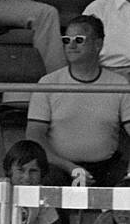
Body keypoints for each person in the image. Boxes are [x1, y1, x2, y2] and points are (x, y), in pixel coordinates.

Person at [26, 14, 130, 191]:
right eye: (66, 40)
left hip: (107, 168)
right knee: (48, 180)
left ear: (98, 44)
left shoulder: (119, 84)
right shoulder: (48, 82)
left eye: (79, 40)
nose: (71, 45)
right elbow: (34, 135)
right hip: (59, 168)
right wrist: (69, 167)